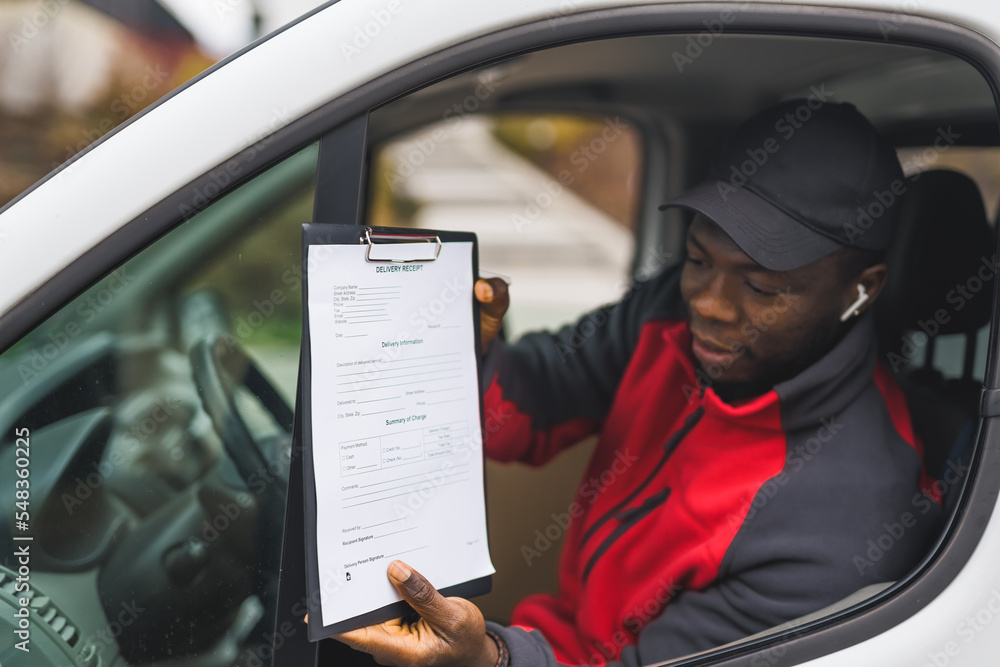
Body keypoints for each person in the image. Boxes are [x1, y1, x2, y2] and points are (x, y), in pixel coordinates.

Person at [331, 99, 944, 667]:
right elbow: (533, 407)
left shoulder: (845, 522)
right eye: (699, 258)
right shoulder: (669, 314)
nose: (709, 303)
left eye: (761, 287)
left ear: (863, 288)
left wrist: (492, 658)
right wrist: (460, 356)